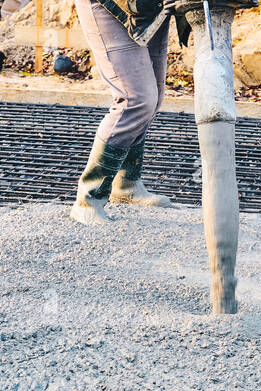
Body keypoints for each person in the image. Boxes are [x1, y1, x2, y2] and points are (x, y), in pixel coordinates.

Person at [70, 0, 181, 224]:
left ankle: (126, 184)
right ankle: (89, 198)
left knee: (154, 97)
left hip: (149, 7)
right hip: (109, 5)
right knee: (136, 99)